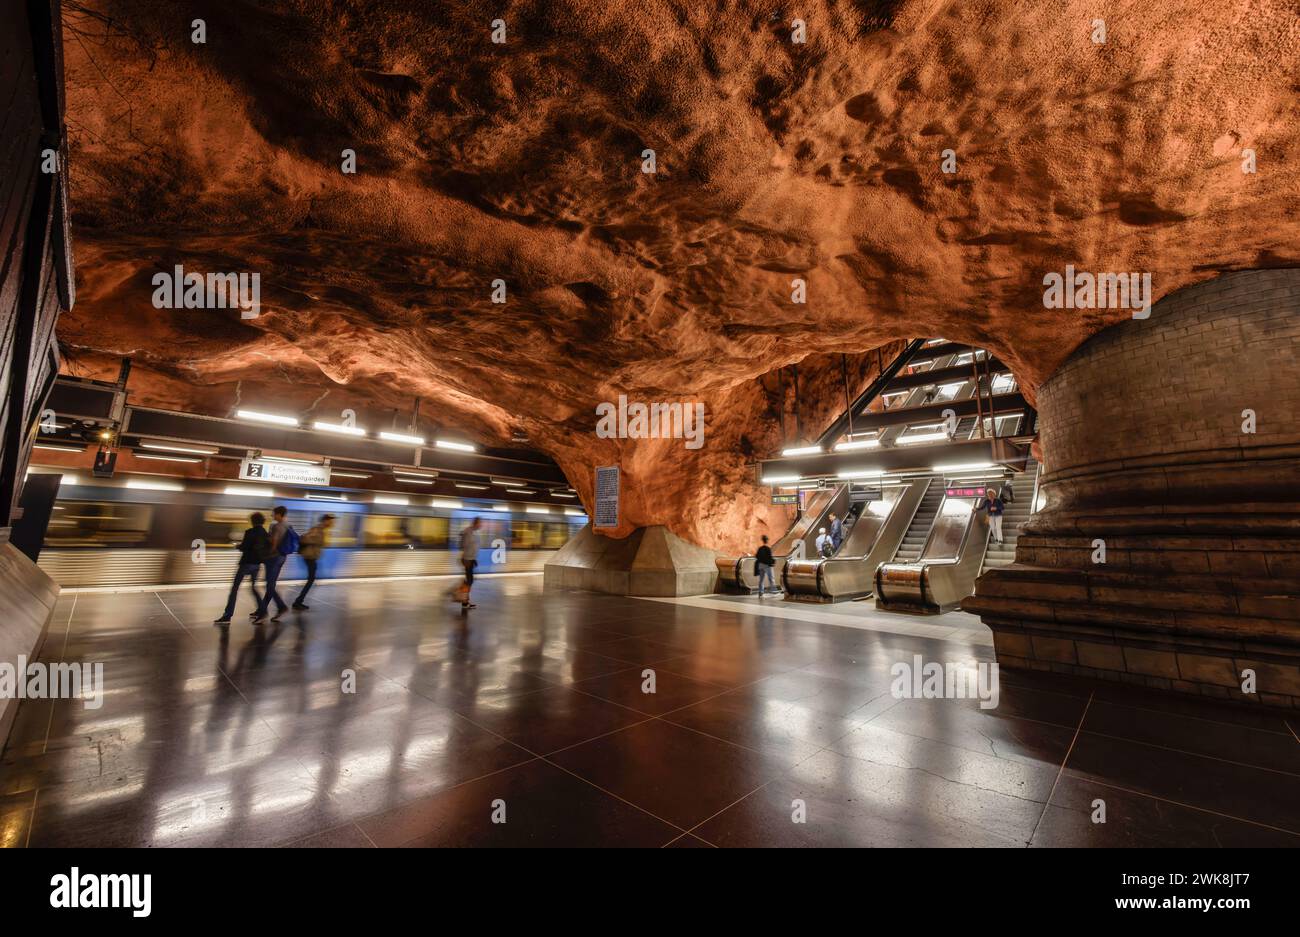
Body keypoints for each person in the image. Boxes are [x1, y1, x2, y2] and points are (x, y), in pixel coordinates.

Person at [214, 512, 271, 625]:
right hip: (257, 564)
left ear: (253, 521)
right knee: (253, 588)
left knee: (235, 589)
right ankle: (263, 611)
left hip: (246, 563)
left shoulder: (250, 532)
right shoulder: (265, 533)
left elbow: (244, 547)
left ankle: (227, 615)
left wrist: (237, 545)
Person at [254, 505, 293, 621]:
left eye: (274, 514)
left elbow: (274, 543)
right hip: (282, 557)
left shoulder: (277, 526)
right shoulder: (289, 526)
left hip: (274, 558)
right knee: (271, 584)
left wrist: (267, 551)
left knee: (269, 585)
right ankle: (263, 609)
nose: (272, 515)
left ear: (279, 514)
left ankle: (281, 606)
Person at [293, 514, 335, 610]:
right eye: (330, 521)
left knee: (311, 579)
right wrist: (314, 541)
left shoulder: (321, 530)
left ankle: (298, 601)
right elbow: (306, 539)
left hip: (311, 557)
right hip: (309, 557)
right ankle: (298, 602)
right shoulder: (317, 530)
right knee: (311, 579)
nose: (332, 523)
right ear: (325, 521)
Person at [458, 517, 483, 610]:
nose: (481, 525)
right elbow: (463, 546)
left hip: (471, 559)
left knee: (469, 581)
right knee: (469, 581)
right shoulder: (468, 532)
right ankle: (463, 600)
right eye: (480, 523)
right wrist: (466, 560)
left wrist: (474, 559)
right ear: (475, 523)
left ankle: (464, 600)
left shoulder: (474, 532)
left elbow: (473, 546)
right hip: (467, 559)